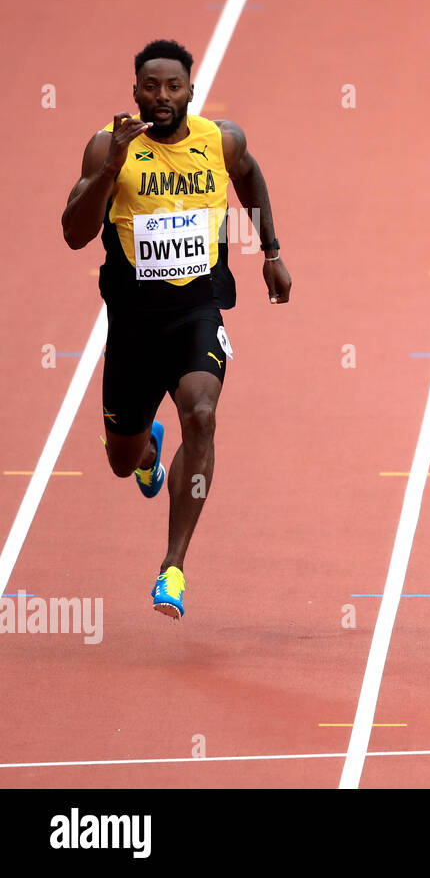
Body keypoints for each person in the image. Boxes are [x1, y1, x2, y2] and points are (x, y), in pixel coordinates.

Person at [60, 39, 291, 618]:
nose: (161, 98)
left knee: (203, 414)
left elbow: (250, 175)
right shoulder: (108, 146)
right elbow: (73, 233)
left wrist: (270, 249)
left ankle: (173, 567)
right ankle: (146, 455)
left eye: (173, 87)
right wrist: (111, 166)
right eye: (150, 87)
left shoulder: (220, 140)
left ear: (191, 89)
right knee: (121, 460)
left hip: (197, 312)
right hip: (133, 325)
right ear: (133, 90)